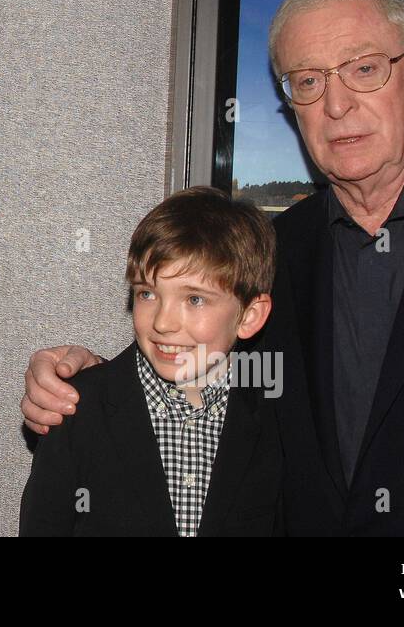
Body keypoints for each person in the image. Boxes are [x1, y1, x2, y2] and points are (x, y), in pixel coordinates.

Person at [21, 0, 404, 535]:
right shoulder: (275, 250)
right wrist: (84, 381)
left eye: (364, 69)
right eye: (308, 81)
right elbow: (204, 355)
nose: (336, 104)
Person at [20, 187, 281, 536]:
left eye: (194, 299)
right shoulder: (77, 412)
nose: (162, 322)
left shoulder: (276, 416)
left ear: (249, 316)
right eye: (147, 293)